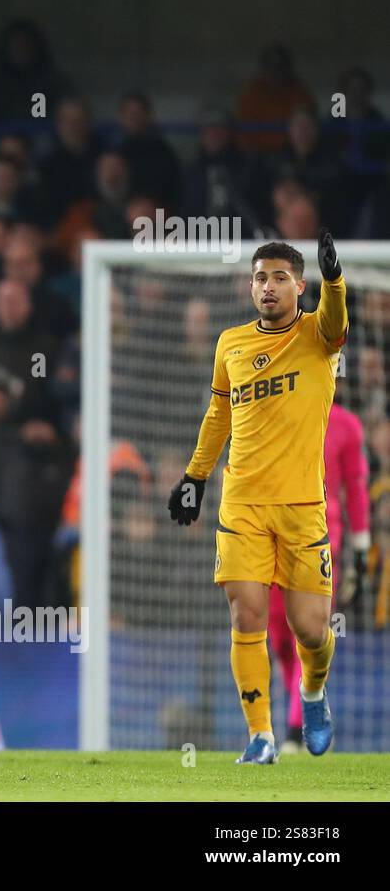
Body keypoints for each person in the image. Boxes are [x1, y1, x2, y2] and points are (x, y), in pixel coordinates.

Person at [169, 233, 346, 764]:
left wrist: (335, 281)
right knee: (246, 616)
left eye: (278, 278)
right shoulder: (231, 344)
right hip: (241, 504)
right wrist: (195, 476)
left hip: (301, 508)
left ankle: (312, 695)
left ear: (300, 285)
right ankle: (261, 736)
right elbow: (219, 415)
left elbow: (337, 320)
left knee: (310, 631)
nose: (267, 287)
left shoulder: (319, 335)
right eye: (259, 278)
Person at [268, 400, 370, 752]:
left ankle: (296, 731)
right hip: (273, 538)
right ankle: (306, 698)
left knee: (308, 635)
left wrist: (360, 548)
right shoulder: (277, 412)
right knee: (280, 640)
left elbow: (355, 488)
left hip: (322, 540)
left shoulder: (347, 426)